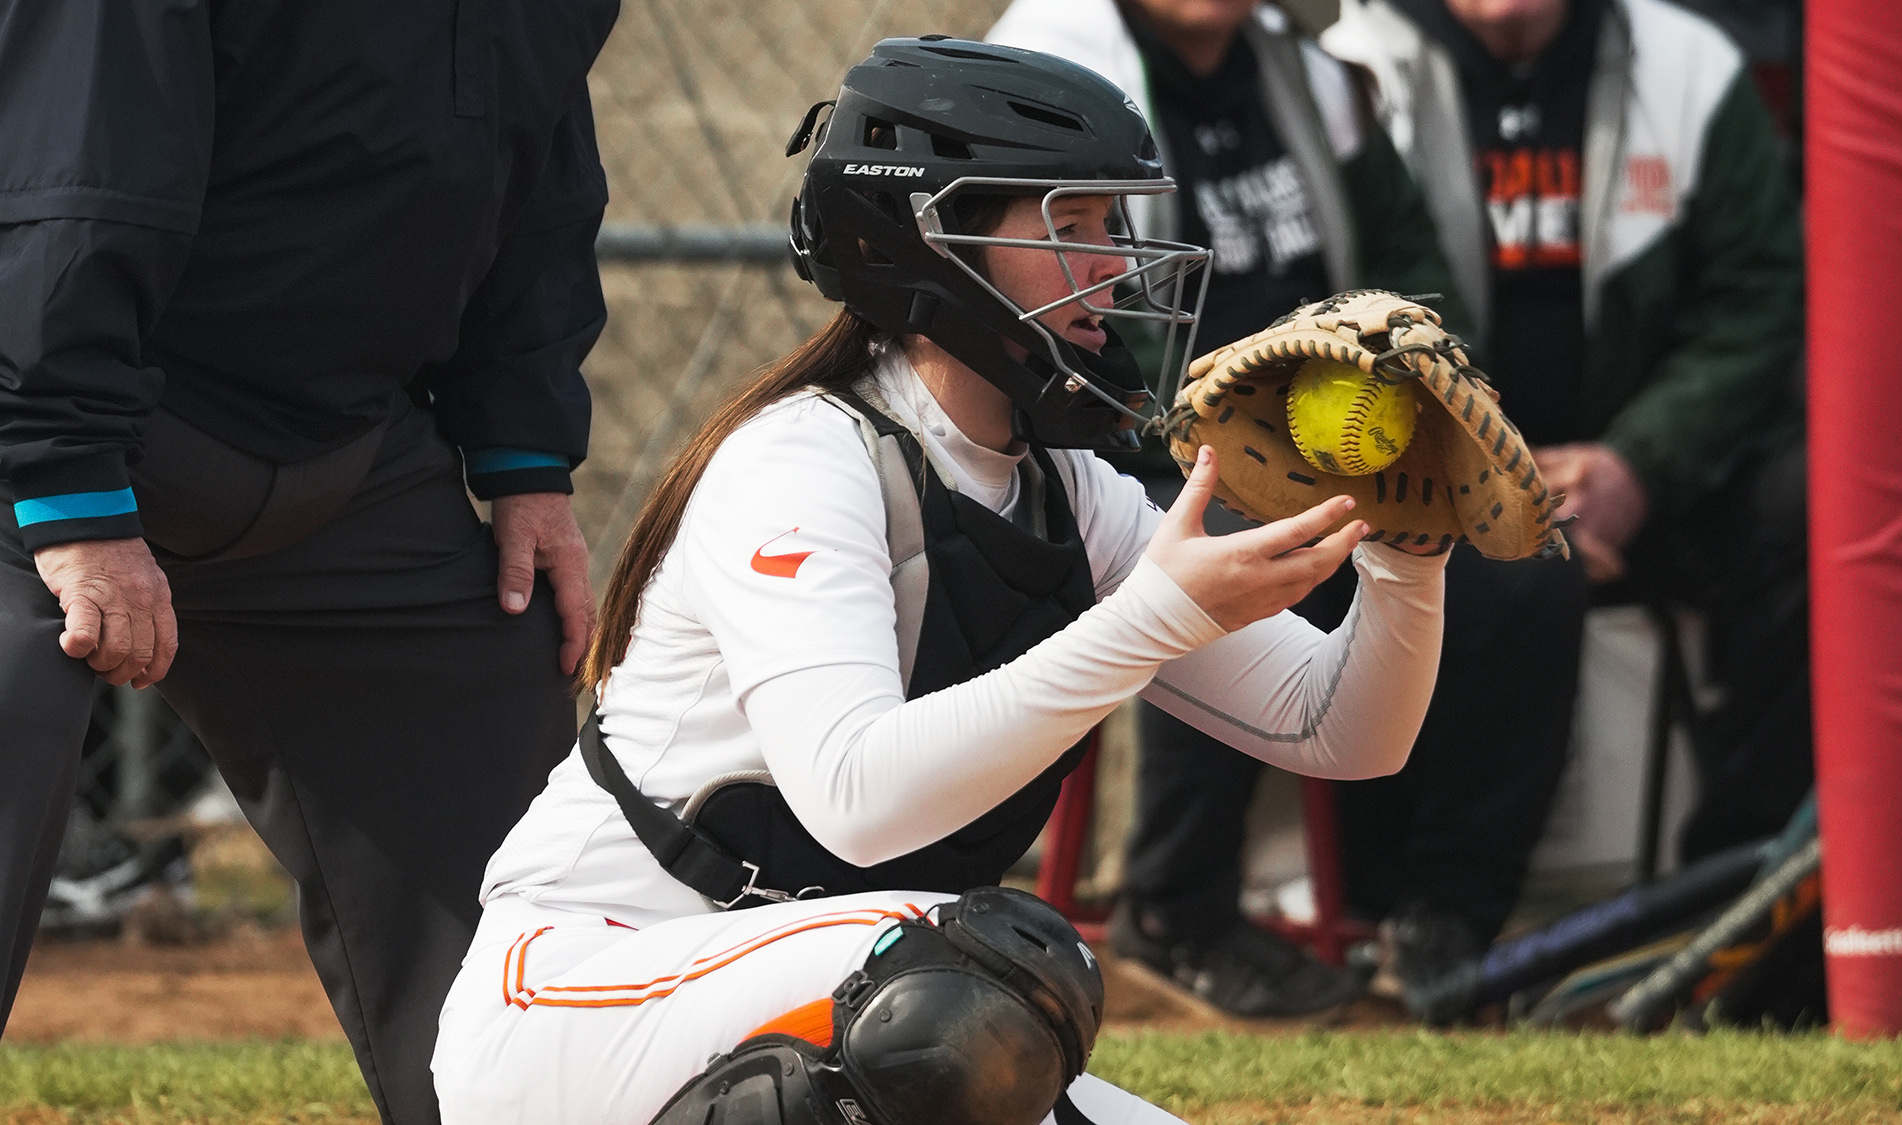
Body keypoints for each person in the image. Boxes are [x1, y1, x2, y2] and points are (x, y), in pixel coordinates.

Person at [428, 38, 1448, 1125]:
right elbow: (859, 801)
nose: (1114, 266)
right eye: (1071, 227)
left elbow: (1344, 731)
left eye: (1114, 227)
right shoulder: (804, 457)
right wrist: (1150, 621)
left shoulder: (1069, 489)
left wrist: (1406, 556)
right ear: (927, 236)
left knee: (966, 994)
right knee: (967, 981)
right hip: (584, 999)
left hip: (836, 999)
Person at [0, 3, 618, 1121]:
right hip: (29, 426)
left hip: (334, 450)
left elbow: (536, 170)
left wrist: (526, 459)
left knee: (514, 849)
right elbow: (71, 180)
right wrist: (73, 494)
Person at [987, 0, 1477, 1017]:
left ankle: (1439, 916)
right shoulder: (1052, 55)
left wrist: (1431, 396)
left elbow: (1411, 265)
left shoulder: (1310, 78)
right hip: (1148, 438)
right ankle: (1176, 907)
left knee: (1505, 568)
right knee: (1213, 546)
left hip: (1333, 445)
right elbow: (1044, 306)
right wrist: (1216, 434)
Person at [1321, 0, 1807, 1017]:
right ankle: (1421, 923)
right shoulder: (1341, 74)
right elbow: (1329, 308)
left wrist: (1640, 463)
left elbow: (1756, 302)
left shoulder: (1689, 66)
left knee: (1809, 514)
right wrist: (1481, 471)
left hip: (1642, 472)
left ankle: (1733, 914)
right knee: (1429, 562)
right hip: (1428, 469)